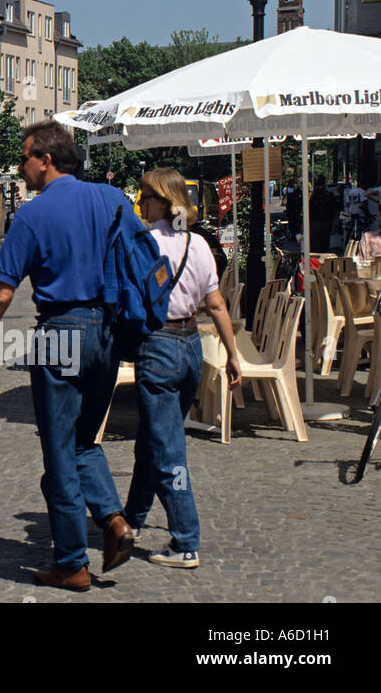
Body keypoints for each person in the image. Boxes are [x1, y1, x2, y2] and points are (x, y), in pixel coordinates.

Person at [0, 121, 139, 592]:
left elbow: (0, 294)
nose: (21, 169)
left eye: (24, 160)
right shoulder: (113, 199)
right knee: (84, 440)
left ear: (46, 159)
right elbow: (148, 259)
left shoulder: (33, 217)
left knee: (60, 452)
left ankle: (72, 563)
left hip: (61, 332)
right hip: (108, 334)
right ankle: (114, 521)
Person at [125, 170, 242, 570]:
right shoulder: (200, 245)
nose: (140, 203)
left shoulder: (144, 243)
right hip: (192, 345)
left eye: (145, 197)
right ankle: (132, 519)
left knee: (167, 449)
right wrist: (233, 354)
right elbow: (217, 305)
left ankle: (185, 539)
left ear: (162, 201)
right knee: (154, 439)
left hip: (157, 345)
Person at [308, 175, 340, 255]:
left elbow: (307, 209)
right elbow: (336, 208)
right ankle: (324, 261)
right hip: (327, 222)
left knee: (315, 243)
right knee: (325, 242)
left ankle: (315, 261)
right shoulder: (329, 194)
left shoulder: (312, 195)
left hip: (314, 222)